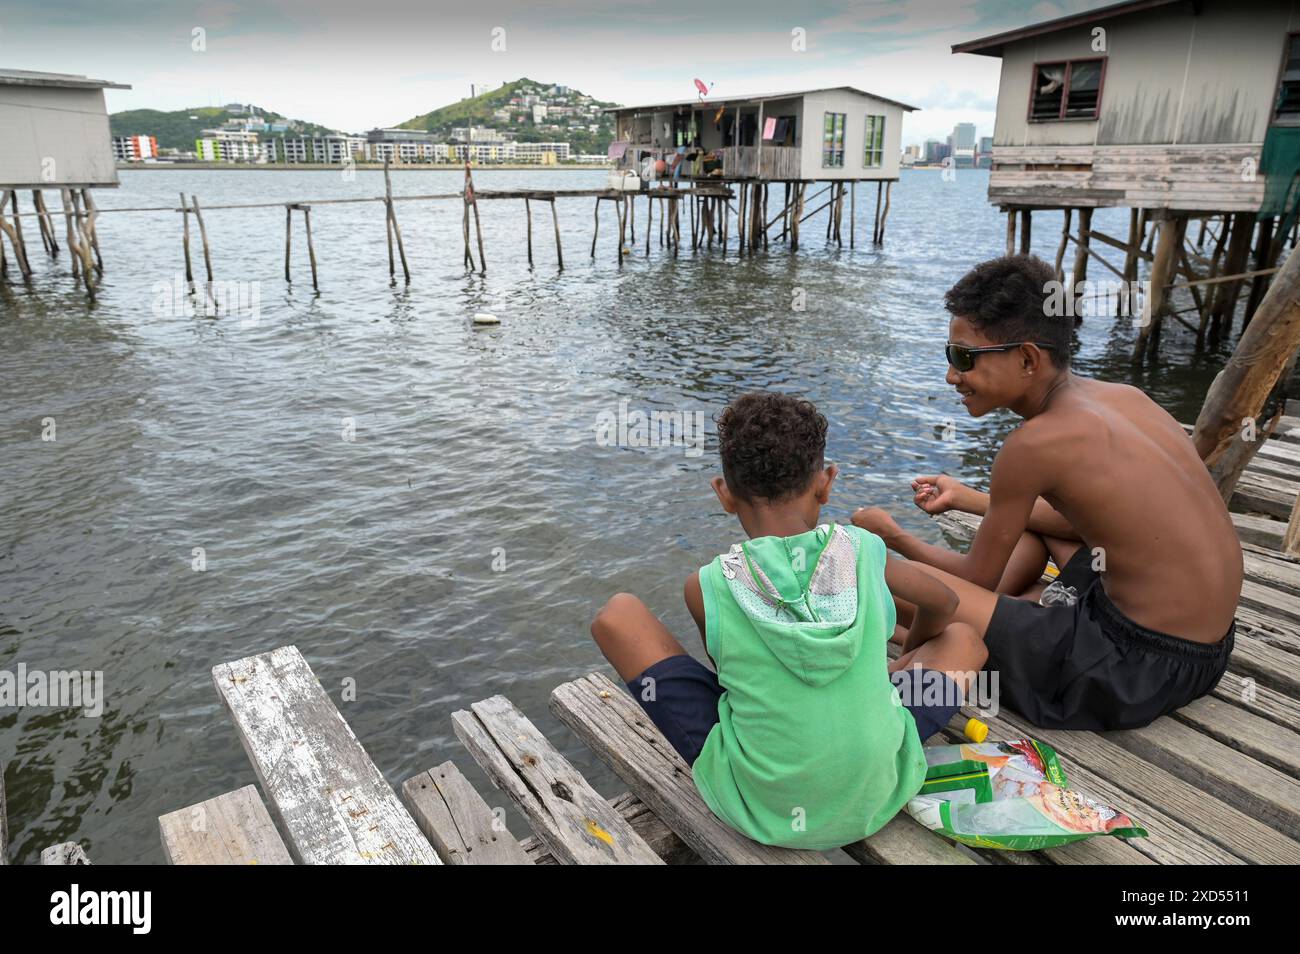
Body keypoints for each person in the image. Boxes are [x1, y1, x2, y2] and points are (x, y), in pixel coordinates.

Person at [853, 255, 1241, 731]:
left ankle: (922, 630)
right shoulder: (1126, 397)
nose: (952, 376)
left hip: (1130, 669)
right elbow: (1089, 520)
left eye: (964, 357)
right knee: (1034, 538)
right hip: (1207, 653)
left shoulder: (1032, 446)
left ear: (1028, 359)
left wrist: (895, 539)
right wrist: (970, 499)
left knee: (870, 569)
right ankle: (1026, 607)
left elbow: (971, 580)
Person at [590, 392, 987, 850]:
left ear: (723, 493)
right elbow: (945, 604)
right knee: (965, 641)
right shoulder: (864, 551)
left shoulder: (707, 585)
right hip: (879, 787)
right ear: (826, 483)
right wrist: (910, 655)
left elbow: (733, 680)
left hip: (761, 804)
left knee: (617, 615)